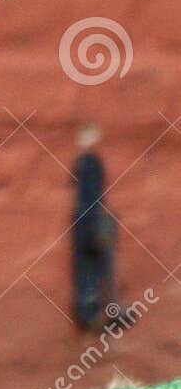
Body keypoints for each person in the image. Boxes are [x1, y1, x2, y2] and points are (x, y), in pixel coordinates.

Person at [70, 122, 116, 330]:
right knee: (95, 262)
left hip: (87, 217)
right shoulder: (89, 163)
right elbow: (90, 195)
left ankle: (95, 309)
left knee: (92, 263)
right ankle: (93, 310)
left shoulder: (86, 163)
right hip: (88, 218)